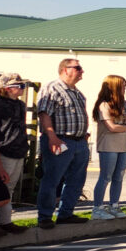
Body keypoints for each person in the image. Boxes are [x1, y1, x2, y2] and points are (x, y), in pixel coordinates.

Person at [36, 58, 91, 228]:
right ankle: (45, 216)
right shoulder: (52, 88)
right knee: (52, 179)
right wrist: (52, 137)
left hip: (79, 142)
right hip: (60, 139)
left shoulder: (77, 93)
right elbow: (44, 114)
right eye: (78, 68)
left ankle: (65, 214)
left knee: (76, 180)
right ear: (65, 69)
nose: (82, 71)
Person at [0, 73, 31, 236]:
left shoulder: (20, 105)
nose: (22, 89)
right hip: (3, 150)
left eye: (22, 85)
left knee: (9, 188)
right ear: (7, 88)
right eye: (18, 86)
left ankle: (6, 221)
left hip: (18, 150)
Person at [90, 75, 126, 220]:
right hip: (108, 146)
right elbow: (112, 127)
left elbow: (124, 125)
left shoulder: (125, 104)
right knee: (105, 177)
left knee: (119, 177)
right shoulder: (104, 105)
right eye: (122, 86)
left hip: (124, 146)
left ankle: (114, 205)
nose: (124, 89)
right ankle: (97, 208)